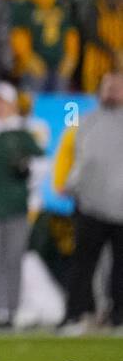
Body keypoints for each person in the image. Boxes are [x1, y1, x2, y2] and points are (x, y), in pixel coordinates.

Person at [53, 69, 123, 332]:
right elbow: (75, 159)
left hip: (121, 207)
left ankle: (118, 317)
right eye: (107, 87)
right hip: (90, 206)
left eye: (116, 88)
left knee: (120, 269)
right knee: (82, 265)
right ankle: (77, 314)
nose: (111, 93)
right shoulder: (85, 122)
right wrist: (68, 184)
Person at [0, 81, 44, 330]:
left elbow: (42, 163)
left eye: (3, 100)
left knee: (13, 259)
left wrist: (28, 171)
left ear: (12, 104)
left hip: (16, 206)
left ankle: (12, 309)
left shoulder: (23, 133)